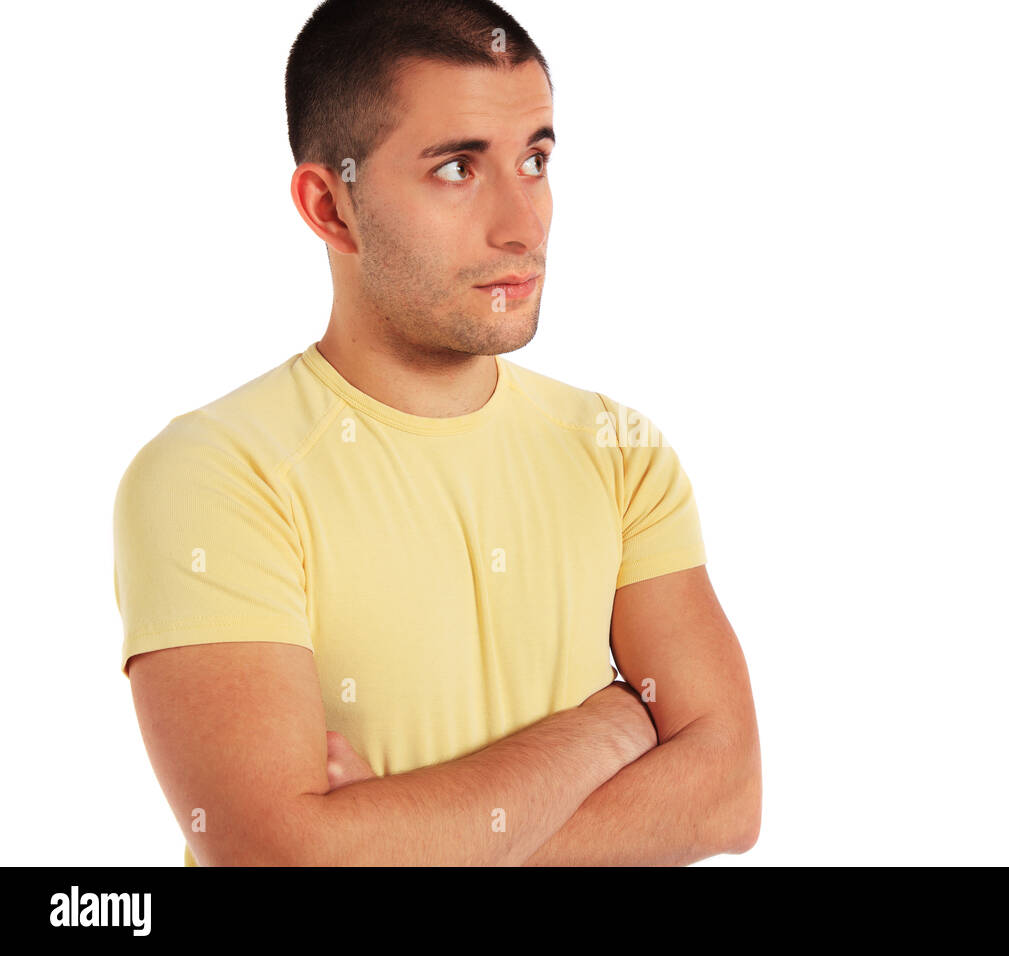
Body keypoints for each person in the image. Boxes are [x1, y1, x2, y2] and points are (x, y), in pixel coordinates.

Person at [112, 0, 760, 866]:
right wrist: (608, 729)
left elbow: (728, 796)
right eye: (457, 169)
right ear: (328, 206)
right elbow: (284, 857)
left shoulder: (619, 451)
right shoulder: (215, 475)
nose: (522, 226)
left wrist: (402, 841)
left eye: (534, 159)